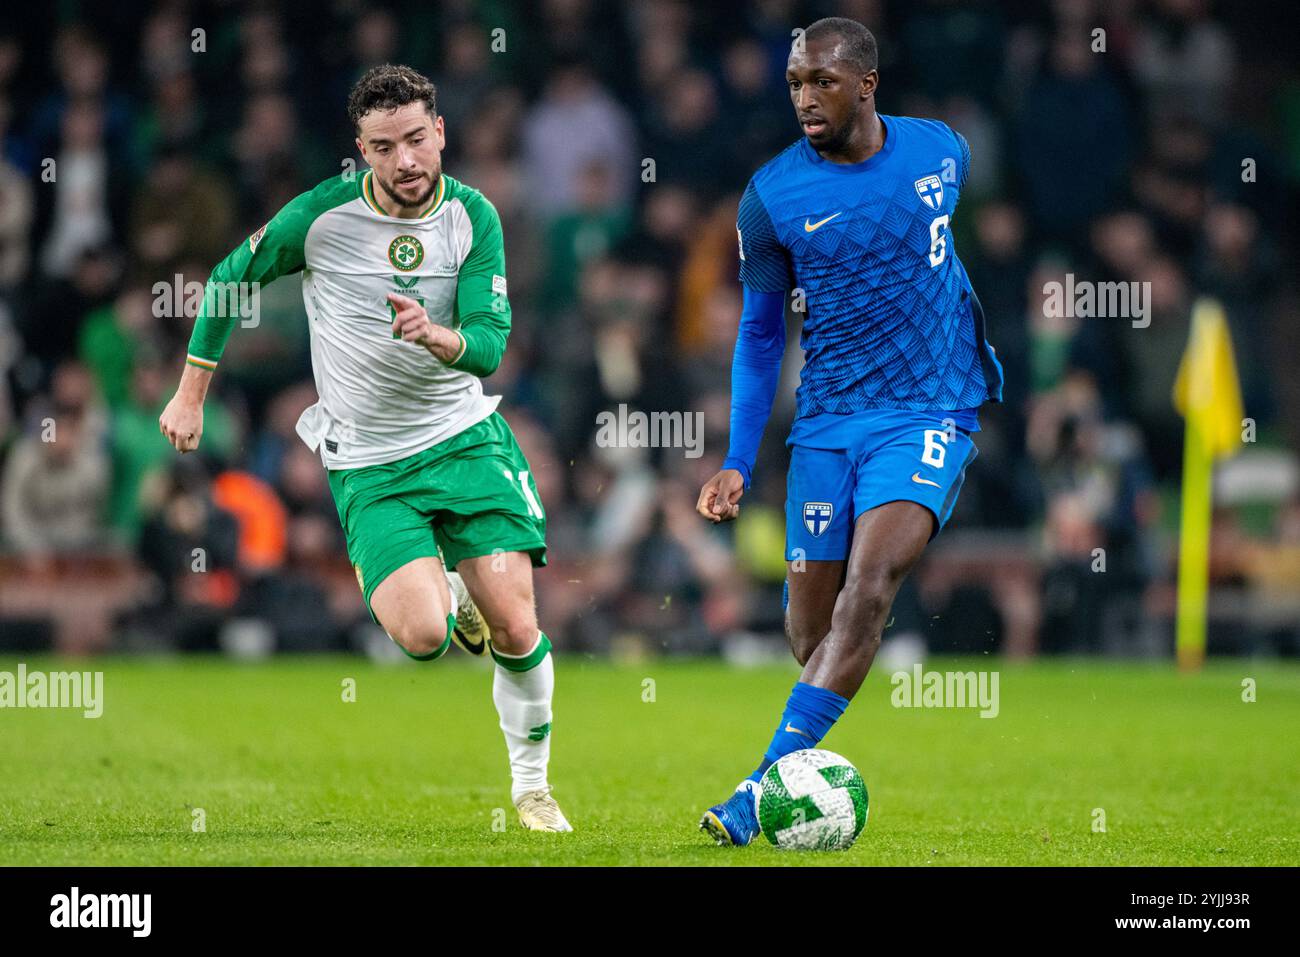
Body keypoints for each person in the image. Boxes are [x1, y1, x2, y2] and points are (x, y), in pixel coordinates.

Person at [158, 64, 571, 832]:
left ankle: (532, 786)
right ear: (363, 150)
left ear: (440, 132)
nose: (406, 160)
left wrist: (437, 334)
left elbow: (489, 343)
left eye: (417, 139)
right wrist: (191, 390)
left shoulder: (474, 218)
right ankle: (448, 593)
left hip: (463, 439)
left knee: (516, 626)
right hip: (371, 463)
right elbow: (228, 277)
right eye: (385, 147)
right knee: (421, 638)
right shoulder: (323, 217)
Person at [694, 18, 1003, 845]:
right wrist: (735, 458)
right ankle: (832, 693)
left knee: (871, 588)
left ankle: (752, 796)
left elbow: (942, 254)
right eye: (795, 82)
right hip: (828, 423)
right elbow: (762, 334)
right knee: (812, 632)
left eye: (821, 81)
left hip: (931, 410)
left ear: (866, 83)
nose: (803, 98)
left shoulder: (940, 151)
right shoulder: (769, 199)